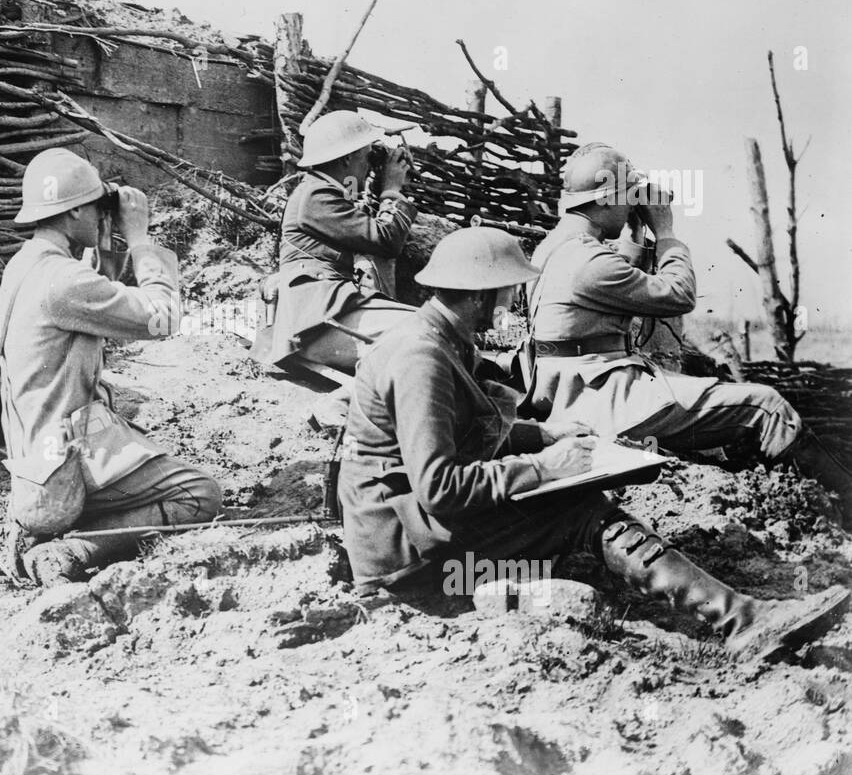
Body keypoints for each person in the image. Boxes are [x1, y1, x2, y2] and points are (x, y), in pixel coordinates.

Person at [338, 225, 849, 661]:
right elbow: (441, 487)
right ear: (476, 295)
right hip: (406, 557)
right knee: (582, 510)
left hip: (407, 532)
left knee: (566, 512)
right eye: (504, 291)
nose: (509, 302)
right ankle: (742, 622)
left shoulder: (434, 339)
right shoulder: (422, 358)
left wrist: (543, 435)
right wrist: (545, 468)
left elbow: (457, 432)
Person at [526, 142, 852, 508]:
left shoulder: (556, 247)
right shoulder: (588, 259)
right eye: (629, 196)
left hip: (574, 391)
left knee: (715, 400)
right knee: (768, 405)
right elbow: (677, 296)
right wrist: (665, 230)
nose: (635, 203)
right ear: (605, 200)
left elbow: (617, 288)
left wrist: (635, 236)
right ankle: (846, 502)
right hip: (605, 403)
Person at [0, 148, 222, 586]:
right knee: (200, 493)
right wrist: (139, 238)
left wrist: (102, 241)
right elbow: (163, 317)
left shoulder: (26, 265)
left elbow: (95, 293)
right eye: (98, 208)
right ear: (76, 209)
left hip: (37, 456)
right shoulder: (64, 281)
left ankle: (53, 532)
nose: (106, 215)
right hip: (65, 463)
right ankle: (69, 549)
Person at [263, 109, 419, 374]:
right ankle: (345, 403)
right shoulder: (316, 197)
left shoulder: (324, 193)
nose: (371, 163)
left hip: (325, 315)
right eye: (368, 155)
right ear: (347, 159)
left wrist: (380, 184)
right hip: (314, 326)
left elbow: (371, 228)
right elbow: (385, 239)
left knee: (429, 331)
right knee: (427, 332)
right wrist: (391, 188)